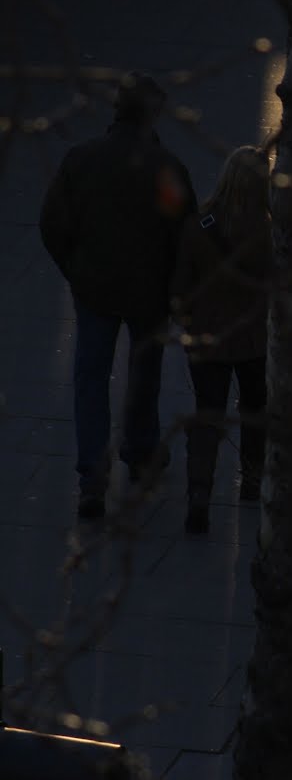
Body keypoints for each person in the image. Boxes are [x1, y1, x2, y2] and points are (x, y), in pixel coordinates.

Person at [39, 74, 195, 522]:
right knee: (143, 372)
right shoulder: (166, 167)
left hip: (96, 288)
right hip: (148, 293)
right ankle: (141, 450)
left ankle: (92, 475)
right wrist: (176, 289)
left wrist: (76, 272)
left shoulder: (81, 160)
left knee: (90, 375)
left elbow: (52, 225)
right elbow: (183, 234)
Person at [170, 146, 271, 536]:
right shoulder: (269, 232)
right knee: (254, 407)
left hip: (208, 339)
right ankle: (252, 479)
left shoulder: (199, 226)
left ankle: (199, 494)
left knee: (207, 413)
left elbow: (180, 287)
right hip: (255, 340)